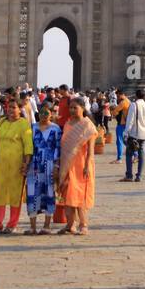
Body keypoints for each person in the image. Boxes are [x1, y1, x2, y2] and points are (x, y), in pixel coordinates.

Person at [0, 95, 33, 234]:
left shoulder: (23, 124)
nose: (11, 110)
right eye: (9, 107)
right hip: (0, 166)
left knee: (15, 195)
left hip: (16, 166)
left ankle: (12, 223)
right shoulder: (1, 122)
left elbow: (28, 145)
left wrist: (26, 163)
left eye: (14, 107)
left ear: (20, 110)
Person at [57, 96, 97, 235]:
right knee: (67, 194)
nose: (72, 110)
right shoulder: (68, 124)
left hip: (81, 165)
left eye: (76, 108)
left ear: (82, 109)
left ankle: (83, 224)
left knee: (79, 195)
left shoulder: (88, 126)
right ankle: (70, 225)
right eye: (71, 108)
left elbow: (91, 150)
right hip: (67, 164)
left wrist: (87, 166)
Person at [25, 106, 61, 235]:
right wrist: (26, 163)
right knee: (32, 192)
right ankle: (32, 226)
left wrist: (57, 166)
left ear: (51, 114)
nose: (44, 115)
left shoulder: (56, 128)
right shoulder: (32, 127)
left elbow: (58, 148)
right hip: (34, 164)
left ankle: (46, 225)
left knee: (49, 192)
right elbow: (28, 146)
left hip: (50, 164)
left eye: (47, 113)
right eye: (42, 112)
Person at [121, 89, 145, 181]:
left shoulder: (134, 105)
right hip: (144, 134)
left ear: (136, 96)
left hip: (134, 134)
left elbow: (130, 121)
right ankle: (139, 176)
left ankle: (129, 175)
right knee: (141, 155)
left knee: (129, 154)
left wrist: (126, 133)